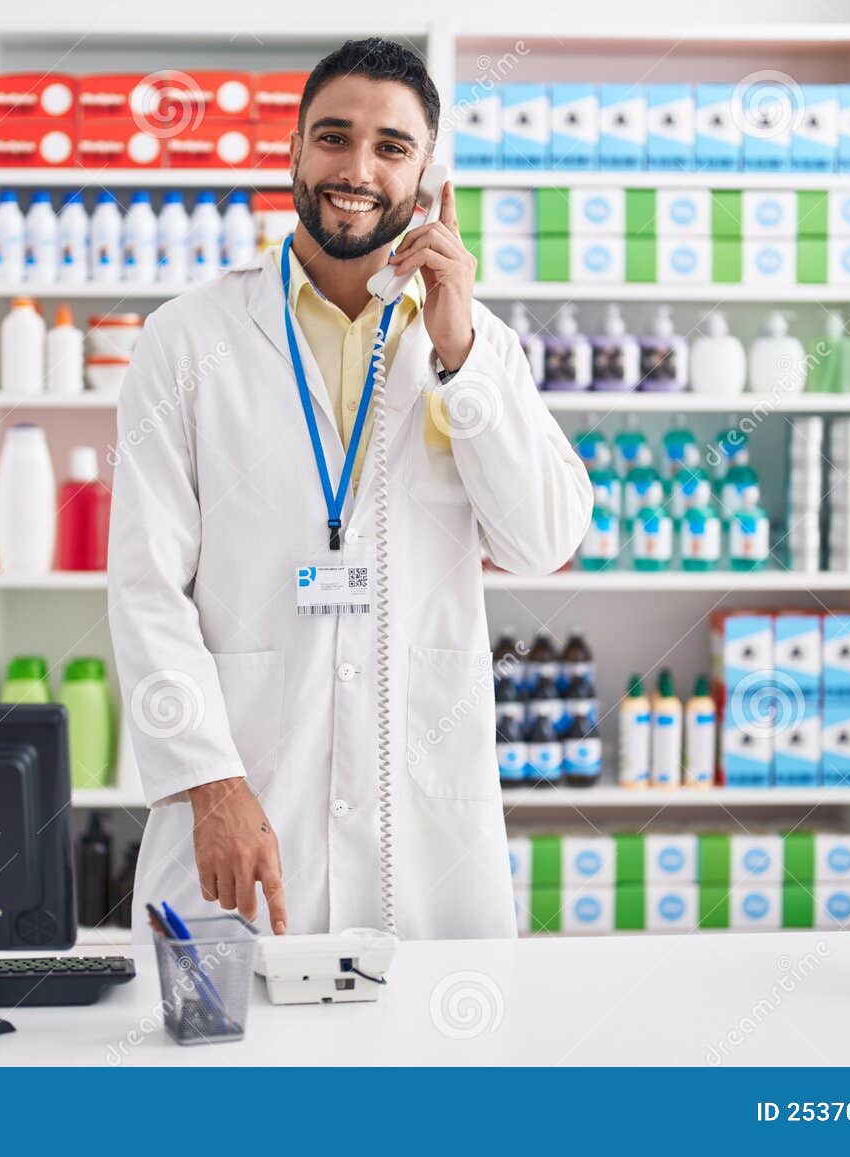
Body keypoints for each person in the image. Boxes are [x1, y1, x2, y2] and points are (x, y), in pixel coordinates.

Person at [109, 38, 591, 939]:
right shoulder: (188, 337)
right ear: (295, 151)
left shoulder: (473, 340)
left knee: (431, 1070)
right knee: (223, 1065)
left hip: (423, 827)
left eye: (391, 147)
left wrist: (462, 358)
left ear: (427, 174)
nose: (357, 169)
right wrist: (209, 780)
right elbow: (145, 586)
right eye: (333, 137)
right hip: (242, 798)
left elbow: (544, 540)